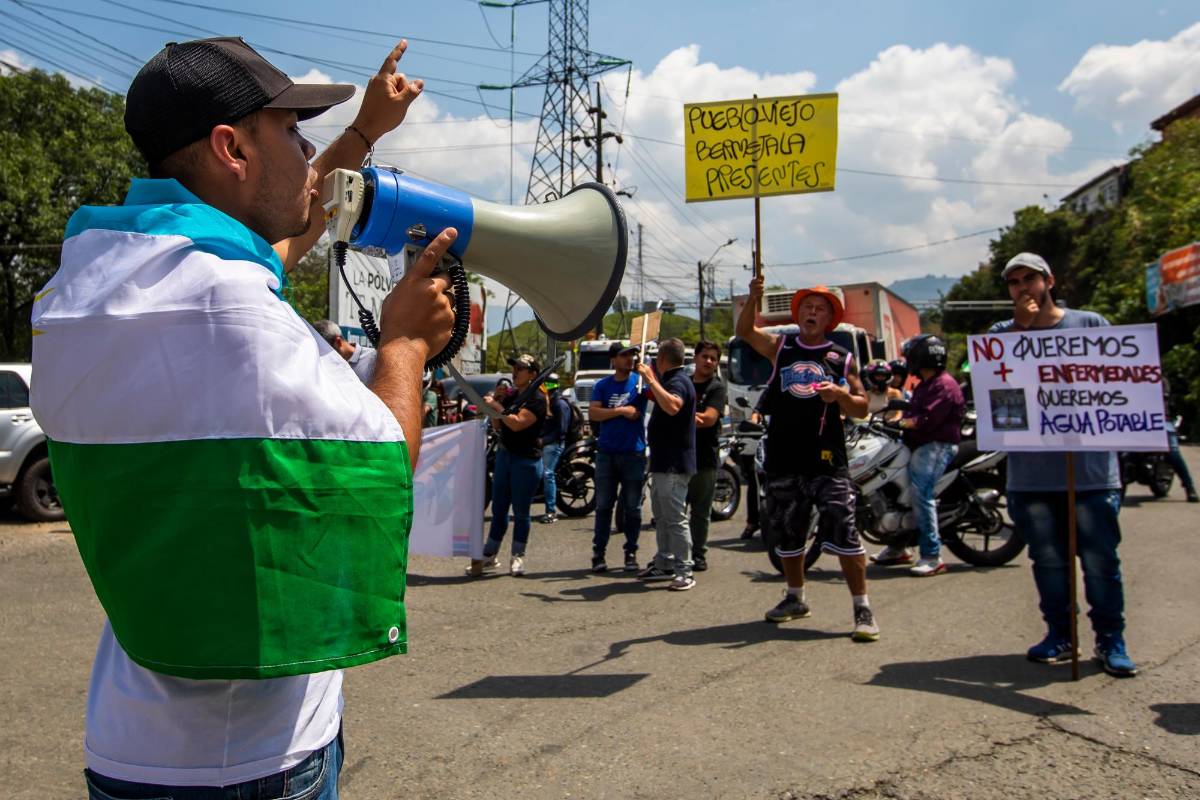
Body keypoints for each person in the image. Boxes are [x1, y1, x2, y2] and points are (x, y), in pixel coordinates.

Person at [31, 37, 453, 798]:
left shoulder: (88, 287)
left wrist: (365, 131)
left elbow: (274, 242)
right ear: (232, 148)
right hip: (254, 759)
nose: (309, 150)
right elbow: (386, 460)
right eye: (290, 130)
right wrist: (407, 345)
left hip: (127, 742)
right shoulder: (232, 307)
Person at [992, 252, 1137, 677]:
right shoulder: (1002, 334)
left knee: (1100, 563)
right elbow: (998, 389)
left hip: (1091, 474)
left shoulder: (1090, 325)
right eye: (1014, 282)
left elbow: (1120, 384)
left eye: (1029, 278)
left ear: (1049, 281)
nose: (1022, 287)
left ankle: (1111, 640)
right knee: (1049, 563)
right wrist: (1021, 329)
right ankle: (1060, 633)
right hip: (1032, 477)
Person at [735, 278, 880, 642]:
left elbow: (862, 407)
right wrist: (753, 298)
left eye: (819, 309)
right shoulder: (780, 346)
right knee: (788, 531)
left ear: (830, 318)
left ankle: (862, 608)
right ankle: (795, 597)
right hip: (784, 456)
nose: (811, 313)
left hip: (826, 460)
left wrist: (840, 396)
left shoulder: (842, 357)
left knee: (844, 528)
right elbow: (745, 332)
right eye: (806, 308)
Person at [872, 335, 965, 575]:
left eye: (910, 355)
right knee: (896, 492)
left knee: (920, 493)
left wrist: (900, 424)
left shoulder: (944, 385)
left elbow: (926, 419)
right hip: (917, 443)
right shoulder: (925, 384)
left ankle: (932, 556)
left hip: (936, 445)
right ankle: (898, 547)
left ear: (921, 357)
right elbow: (910, 410)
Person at [474, 354, 547, 577]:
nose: (515, 372)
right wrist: (494, 405)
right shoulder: (511, 396)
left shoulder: (537, 399)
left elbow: (517, 424)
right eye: (514, 368)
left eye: (521, 369)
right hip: (505, 456)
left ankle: (517, 556)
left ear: (532, 374)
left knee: (521, 512)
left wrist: (496, 405)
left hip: (526, 460)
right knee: (498, 510)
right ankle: (490, 554)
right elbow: (498, 425)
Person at [636, 338, 698, 590]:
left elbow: (673, 406)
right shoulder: (672, 380)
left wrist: (651, 379)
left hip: (674, 463)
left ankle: (685, 570)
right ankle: (665, 561)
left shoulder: (678, 381)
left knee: (674, 518)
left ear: (662, 359)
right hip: (664, 461)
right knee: (661, 517)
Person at [588, 342, 649, 572]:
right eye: (624, 355)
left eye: (631, 355)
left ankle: (631, 552)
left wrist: (647, 372)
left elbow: (657, 392)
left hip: (633, 453)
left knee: (633, 507)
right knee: (604, 506)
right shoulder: (603, 385)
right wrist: (621, 411)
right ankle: (599, 553)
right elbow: (594, 412)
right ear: (613, 360)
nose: (629, 359)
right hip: (607, 453)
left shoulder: (640, 383)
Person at [687, 340, 728, 571]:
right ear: (696, 357)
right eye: (705, 356)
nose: (709, 361)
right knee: (674, 512)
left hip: (704, 458)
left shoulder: (717, 388)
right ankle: (674, 553)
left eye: (713, 358)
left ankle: (698, 554)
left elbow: (709, 419)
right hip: (679, 457)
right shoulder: (683, 383)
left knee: (700, 512)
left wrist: (678, 415)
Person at [537, 373, 572, 523]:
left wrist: (544, 440)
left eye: (544, 384)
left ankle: (551, 512)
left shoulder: (559, 404)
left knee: (547, 474)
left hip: (554, 444)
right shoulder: (547, 401)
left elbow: (561, 430)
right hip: (545, 442)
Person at [1163, 379, 1198, 503]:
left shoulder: (1159, 380)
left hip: (1161, 421)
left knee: (1173, 453)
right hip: (1135, 426)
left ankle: (1189, 487)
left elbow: (1165, 395)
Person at [313, 318, 376, 382]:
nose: (323, 358)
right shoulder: (326, 368)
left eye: (324, 352)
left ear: (338, 342)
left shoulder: (374, 357)